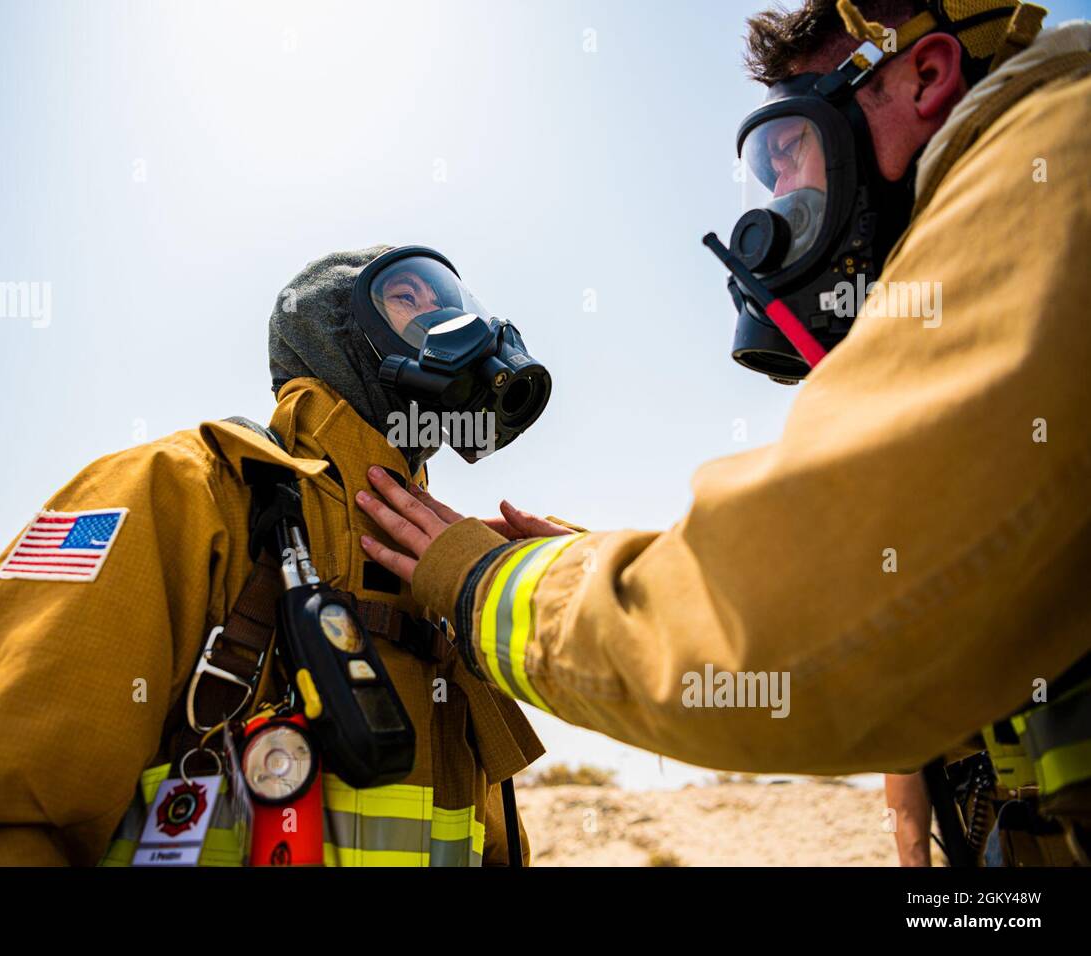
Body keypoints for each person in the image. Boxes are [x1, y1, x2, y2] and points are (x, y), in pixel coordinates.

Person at [355, 0, 1091, 861]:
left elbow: (796, 636)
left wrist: (487, 584)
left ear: (926, 78)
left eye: (790, 155)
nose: (777, 205)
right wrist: (610, 564)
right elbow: (932, 583)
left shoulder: (1044, 155)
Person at [0, 245, 547, 867]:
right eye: (408, 299)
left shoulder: (449, 571)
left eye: (448, 302)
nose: (442, 317)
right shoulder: (172, 491)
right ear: (338, 335)